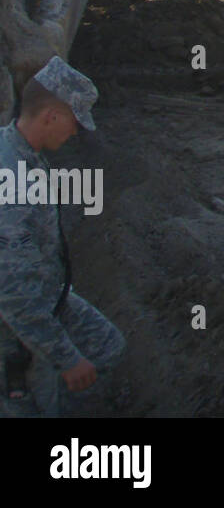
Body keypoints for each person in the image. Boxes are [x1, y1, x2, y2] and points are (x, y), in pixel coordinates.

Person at [0, 57, 123, 417]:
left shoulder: (24, 155)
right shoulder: (12, 180)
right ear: (51, 115)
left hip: (44, 293)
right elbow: (12, 292)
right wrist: (67, 358)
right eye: (74, 123)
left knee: (106, 347)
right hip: (15, 314)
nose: (75, 134)